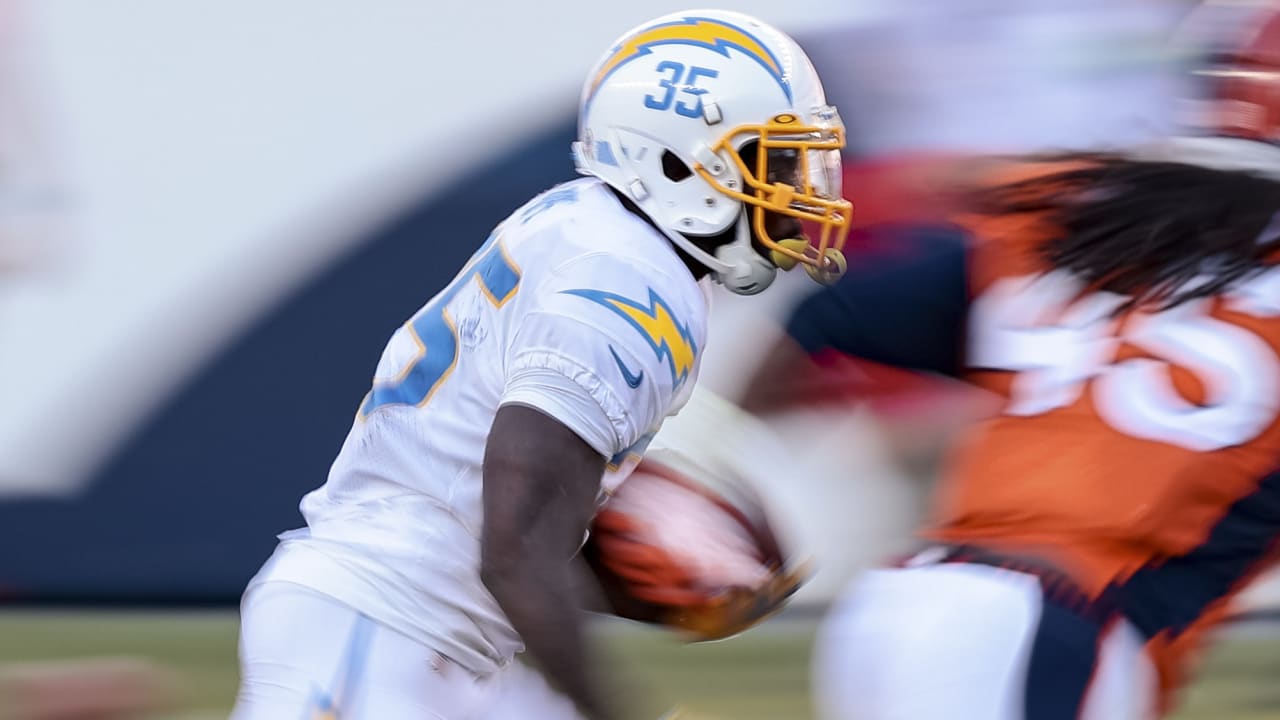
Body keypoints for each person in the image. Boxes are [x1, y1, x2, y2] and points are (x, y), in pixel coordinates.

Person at [229, 9, 851, 720]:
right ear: (679, 161)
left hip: (412, 629)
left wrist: (652, 570)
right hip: (382, 628)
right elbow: (517, 547)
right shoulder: (624, 276)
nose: (800, 190)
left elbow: (520, 525)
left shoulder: (598, 229)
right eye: (774, 162)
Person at [741, 2, 1280, 717]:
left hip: (906, 606)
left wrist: (709, 462)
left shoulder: (1084, 222)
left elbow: (829, 316)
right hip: (1058, 628)